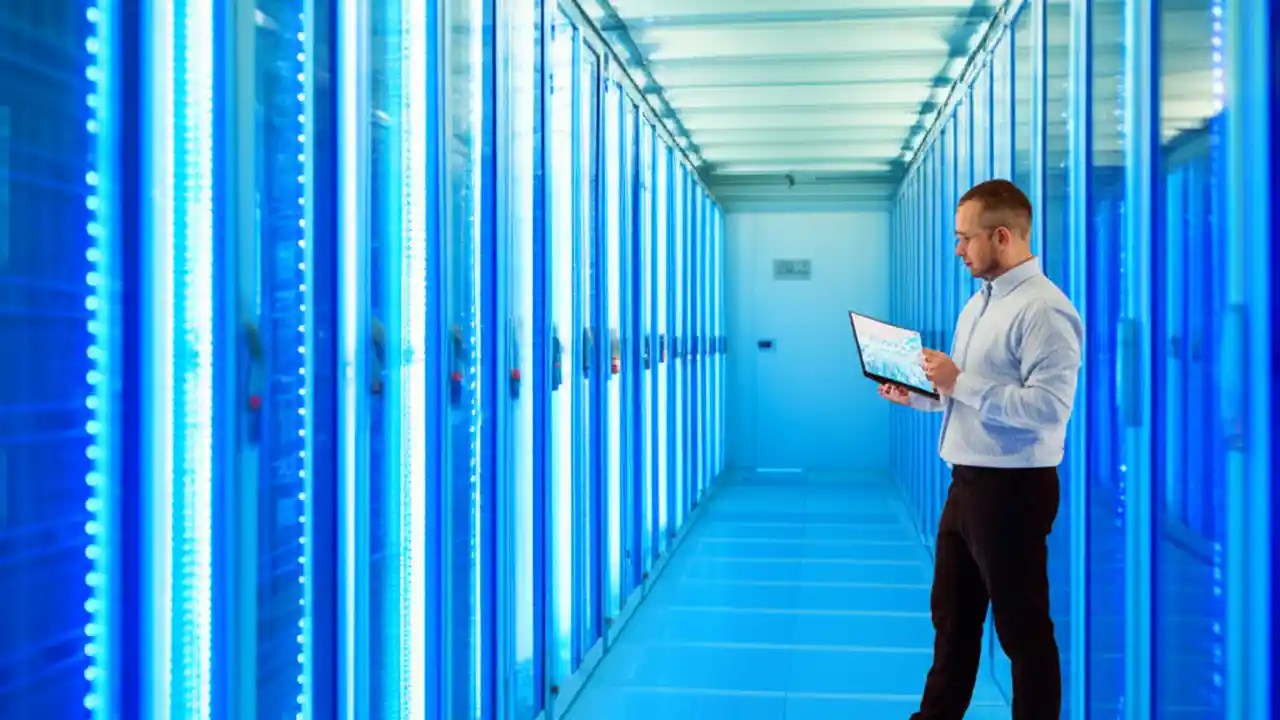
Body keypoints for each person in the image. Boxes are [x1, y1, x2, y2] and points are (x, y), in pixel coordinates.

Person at [879, 179, 1083, 720]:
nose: (958, 250)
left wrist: (959, 380)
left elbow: (1047, 410)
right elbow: (964, 395)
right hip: (965, 486)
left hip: (1013, 490)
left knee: (1024, 635)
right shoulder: (978, 305)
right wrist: (921, 395)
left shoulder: (1045, 311)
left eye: (965, 239)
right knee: (952, 624)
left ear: (1002, 236)